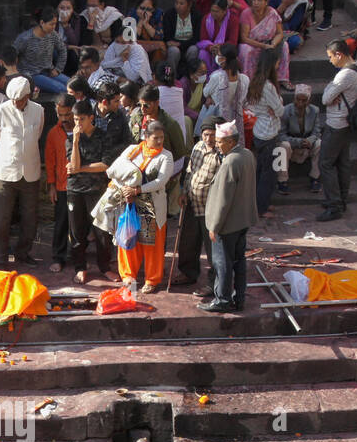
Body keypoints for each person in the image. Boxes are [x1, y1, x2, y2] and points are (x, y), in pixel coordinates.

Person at [109, 120, 174, 293]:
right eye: (155, 138)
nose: (159, 142)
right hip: (129, 203)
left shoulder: (165, 156)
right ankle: (128, 275)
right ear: (146, 137)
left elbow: (160, 182)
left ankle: (151, 279)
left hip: (150, 205)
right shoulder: (132, 150)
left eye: (161, 138)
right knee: (128, 238)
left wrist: (137, 190)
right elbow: (115, 170)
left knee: (151, 243)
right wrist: (124, 188)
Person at [0, 76, 44, 267]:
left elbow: (37, 135)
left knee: (30, 217)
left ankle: (23, 253)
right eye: (12, 99)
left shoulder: (39, 111)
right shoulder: (1, 111)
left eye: (19, 99)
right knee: (1, 218)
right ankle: (0, 258)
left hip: (30, 171)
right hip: (5, 172)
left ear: (28, 96)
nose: (15, 102)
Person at [202, 119, 256, 312]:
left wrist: (214, 226)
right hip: (243, 220)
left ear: (231, 142)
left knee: (222, 263)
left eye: (220, 142)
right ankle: (238, 297)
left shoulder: (230, 162)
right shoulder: (247, 154)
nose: (217, 145)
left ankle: (222, 300)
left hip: (228, 224)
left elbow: (223, 199)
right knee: (239, 261)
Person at [66, 98, 115, 283]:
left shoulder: (103, 136)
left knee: (102, 231)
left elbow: (105, 165)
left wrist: (81, 169)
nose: (78, 124)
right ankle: (80, 267)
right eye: (75, 120)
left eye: (81, 120)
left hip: (97, 190)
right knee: (77, 232)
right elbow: (73, 164)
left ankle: (105, 267)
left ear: (91, 118)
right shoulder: (71, 138)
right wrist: (77, 140)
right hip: (75, 190)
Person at [175, 116, 223, 291]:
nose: (208, 139)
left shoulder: (222, 153)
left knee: (213, 251)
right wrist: (184, 192)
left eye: (212, 135)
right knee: (188, 242)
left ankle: (214, 284)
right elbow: (189, 172)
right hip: (192, 203)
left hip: (210, 208)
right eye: (205, 135)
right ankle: (188, 273)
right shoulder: (197, 147)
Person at [317, 40, 357, 222]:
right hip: (345, 122)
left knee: (325, 163)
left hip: (337, 123)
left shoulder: (345, 75)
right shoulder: (356, 68)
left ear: (339, 55)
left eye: (330, 57)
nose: (329, 61)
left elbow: (326, 98)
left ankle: (334, 205)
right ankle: (340, 200)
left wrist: (329, 88)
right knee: (342, 163)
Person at [246, 48, 283, 216]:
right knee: (268, 173)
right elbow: (280, 110)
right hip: (269, 132)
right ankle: (261, 208)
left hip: (259, 130)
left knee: (262, 170)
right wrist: (276, 105)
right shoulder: (268, 86)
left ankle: (260, 204)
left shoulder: (255, 82)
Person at [238, 0, 290, 91]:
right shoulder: (246, 14)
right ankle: (250, 80)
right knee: (246, 50)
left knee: (284, 46)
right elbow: (244, 38)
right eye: (254, 0)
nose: (256, 3)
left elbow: (279, 33)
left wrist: (273, 44)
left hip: (269, 43)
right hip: (252, 44)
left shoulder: (272, 13)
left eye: (259, 0)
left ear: (266, 2)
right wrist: (263, 46)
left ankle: (281, 79)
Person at [46, 94, 75, 272]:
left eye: (67, 114)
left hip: (82, 185)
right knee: (61, 222)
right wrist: (51, 186)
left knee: (81, 225)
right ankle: (59, 257)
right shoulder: (53, 133)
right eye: (60, 115)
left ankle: (80, 259)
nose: (64, 119)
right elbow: (50, 162)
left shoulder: (85, 128)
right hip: (62, 186)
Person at [16, 7, 72, 93]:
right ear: (42, 22)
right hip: (32, 75)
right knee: (62, 89)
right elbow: (13, 54)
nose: (54, 27)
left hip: (49, 71)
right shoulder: (25, 38)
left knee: (73, 84)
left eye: (55, 24)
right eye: (51, 24)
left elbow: (62, 50)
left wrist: (58, 69)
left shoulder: (53, 35)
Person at [278, 84, 321, 193]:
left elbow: (317, 132)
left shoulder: (314, 111)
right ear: (294, 99)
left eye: (304, 100)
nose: (300, 103)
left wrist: (310, 141)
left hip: (307, 146)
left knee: (319, 143)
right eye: (298, 100)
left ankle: (315, 177)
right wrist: (299, 142)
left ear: (309, 101)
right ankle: (282, 180)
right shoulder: (285, 111)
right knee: (283, 146)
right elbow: (281, 135)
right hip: (292, 145)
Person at [103, 20, 153, 84]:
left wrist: (125, 60)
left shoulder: (138, 51)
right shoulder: (113, 46)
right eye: (117, 42)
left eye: (123, 43)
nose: (119, 45)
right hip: (115, 81)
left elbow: (133, 77)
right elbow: (104, 67)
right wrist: (117, 78)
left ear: (131, 42)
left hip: (135, 85)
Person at [93, 78, 132, 160]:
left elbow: (126, 141)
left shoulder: (120, 116)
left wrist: (110, 153)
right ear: (105, 102)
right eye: (116, 101)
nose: (119, 103)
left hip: (111, 160)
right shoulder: (87, 113)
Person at [163, 0, 199, 75]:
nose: (177, 6)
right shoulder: (169, 14)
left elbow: (197, 38)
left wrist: (180, 44)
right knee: (174, 51)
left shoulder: (196, 15)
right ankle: (169, 78)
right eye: (176, 3)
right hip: (174, 47)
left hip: (189, 46)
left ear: (189, 4)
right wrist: (174, 44)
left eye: (181, 3)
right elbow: (167, 37)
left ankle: (192, 78)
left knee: (194, 49)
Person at [197, 0, 235, 76]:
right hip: (211, 49)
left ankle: (220, 79)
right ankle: (206, 80)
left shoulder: (233, 20)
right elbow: (203, 39)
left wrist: (220, 47)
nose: (213, 13)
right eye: (212, 10)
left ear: (224, 11)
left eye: (217, 11)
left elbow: (233, 41)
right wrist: (211, 48)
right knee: (202, 53)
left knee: (223, 56)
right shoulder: (206, 19)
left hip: (225, 50)